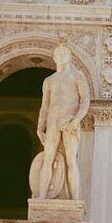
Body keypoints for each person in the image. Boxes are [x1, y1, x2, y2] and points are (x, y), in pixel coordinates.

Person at [34, 44, 90, 200]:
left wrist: (77, 119)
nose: (61, 56)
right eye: (58, 53)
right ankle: (42, 196)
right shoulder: (49, 80)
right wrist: (40, 128)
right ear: (54, 57)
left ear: (69, 56)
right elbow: (44, 107)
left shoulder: (77, 76)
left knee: (71, 160)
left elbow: (85, 101)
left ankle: (74, 199)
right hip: (52, 119)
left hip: (70, 120)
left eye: (64, 53)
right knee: (48, 158)